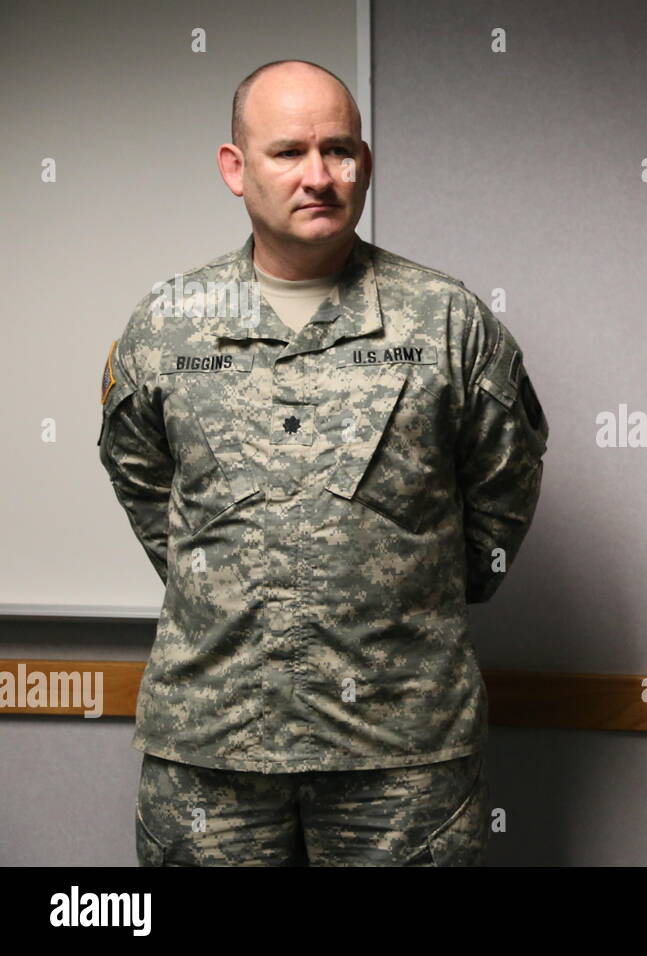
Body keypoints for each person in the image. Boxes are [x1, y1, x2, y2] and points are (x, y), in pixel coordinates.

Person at [98, 60, 547, 865]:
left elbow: (502, 493)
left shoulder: (448, 323)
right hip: (215, 748)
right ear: (235, 168)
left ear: (365, 163)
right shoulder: (167, 327)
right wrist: (225, 586)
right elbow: (145, 485)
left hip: (400, 751)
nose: (319, 176)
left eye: (339, 150)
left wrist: (412, 594)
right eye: (288, 152)